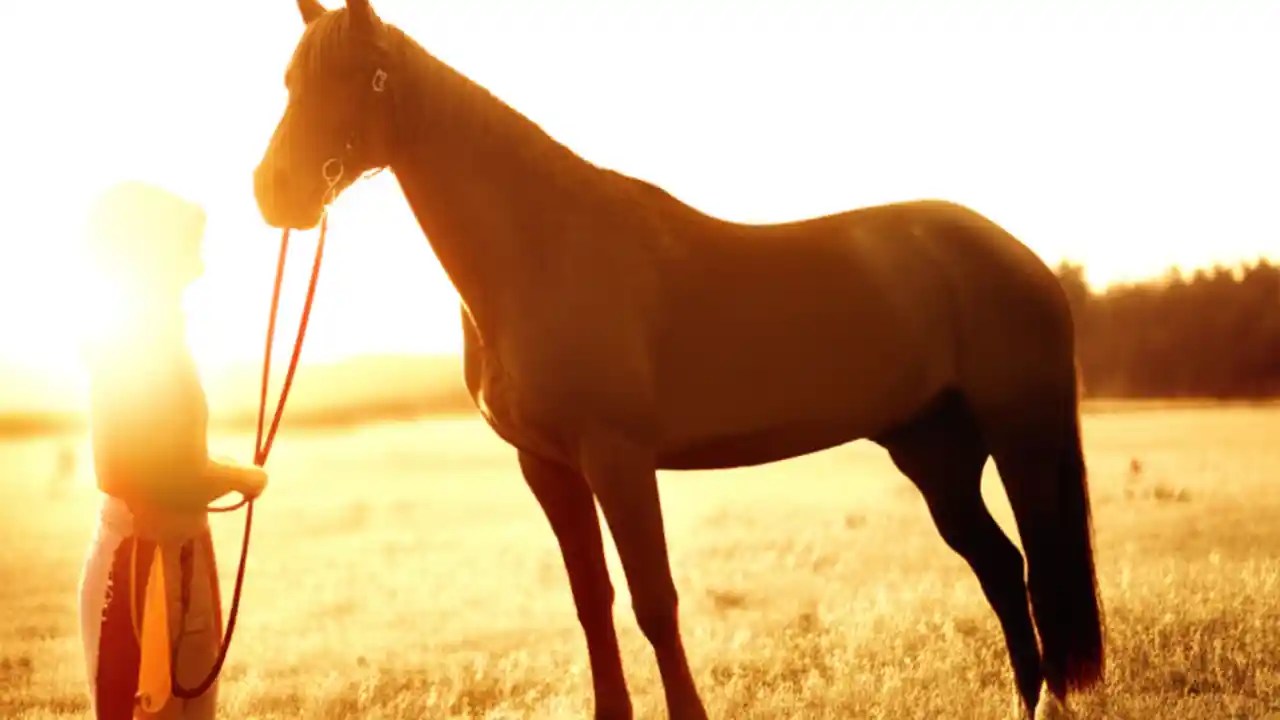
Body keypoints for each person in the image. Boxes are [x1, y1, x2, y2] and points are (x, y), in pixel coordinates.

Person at [77, 180, 267, 719]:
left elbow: (171, 454)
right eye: (190, 246)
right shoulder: (128, 339)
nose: (201, 263)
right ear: (154, 253)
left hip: (184, 551)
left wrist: (220, 471)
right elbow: (123, 470)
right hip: (139, 562)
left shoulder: (164, 333)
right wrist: (233, 478)